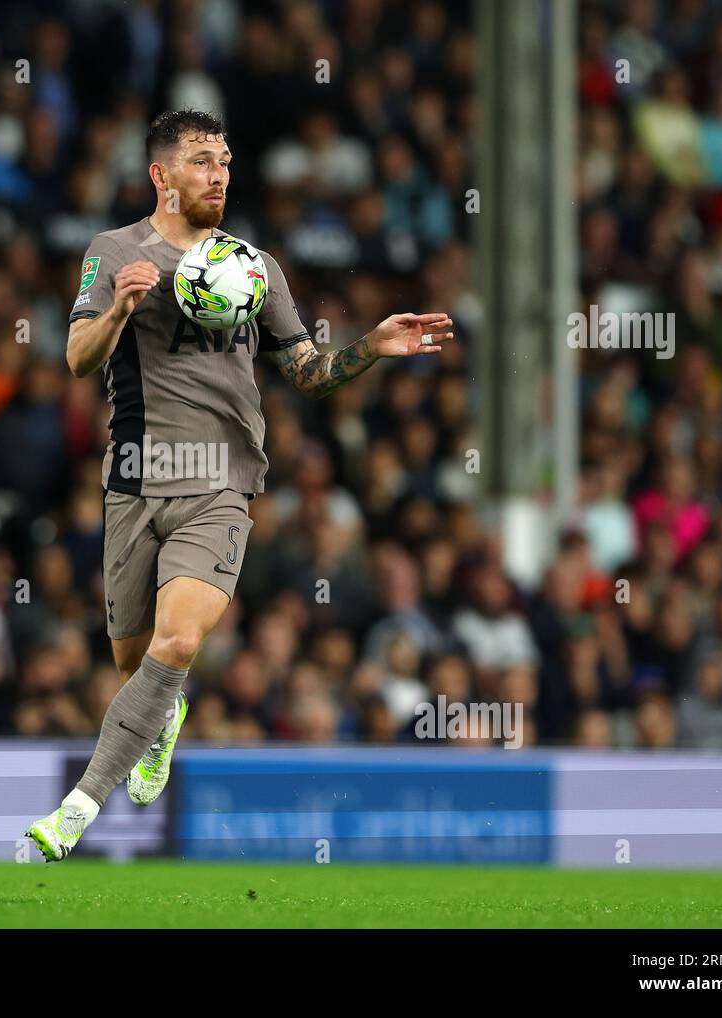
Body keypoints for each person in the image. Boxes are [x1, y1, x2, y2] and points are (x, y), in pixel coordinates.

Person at [24, 109, 452, 861]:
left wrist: (371, 348)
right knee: (136, 667)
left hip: (221, 482)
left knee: (180, 639)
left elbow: (309, 375)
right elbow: (76, 360)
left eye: (224, 160)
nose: (217, 174)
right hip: (133, 482)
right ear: (161, 175)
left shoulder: (255, 267)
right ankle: (164, 718)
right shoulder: (112, 252)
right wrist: (122, 308)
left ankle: (79, 806)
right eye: (199, 160)